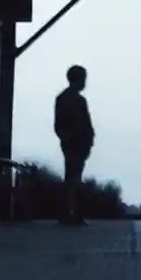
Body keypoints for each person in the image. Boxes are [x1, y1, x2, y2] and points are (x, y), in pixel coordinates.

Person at [54, 65, 94, 225]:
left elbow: (60, 125)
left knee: (72, 178)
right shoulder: (74, 100)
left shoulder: (65, 98)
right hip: (75, 143)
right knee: (73, 179)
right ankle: (70, 214)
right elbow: (64, 124)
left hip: (75, 143)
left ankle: (70, 213)